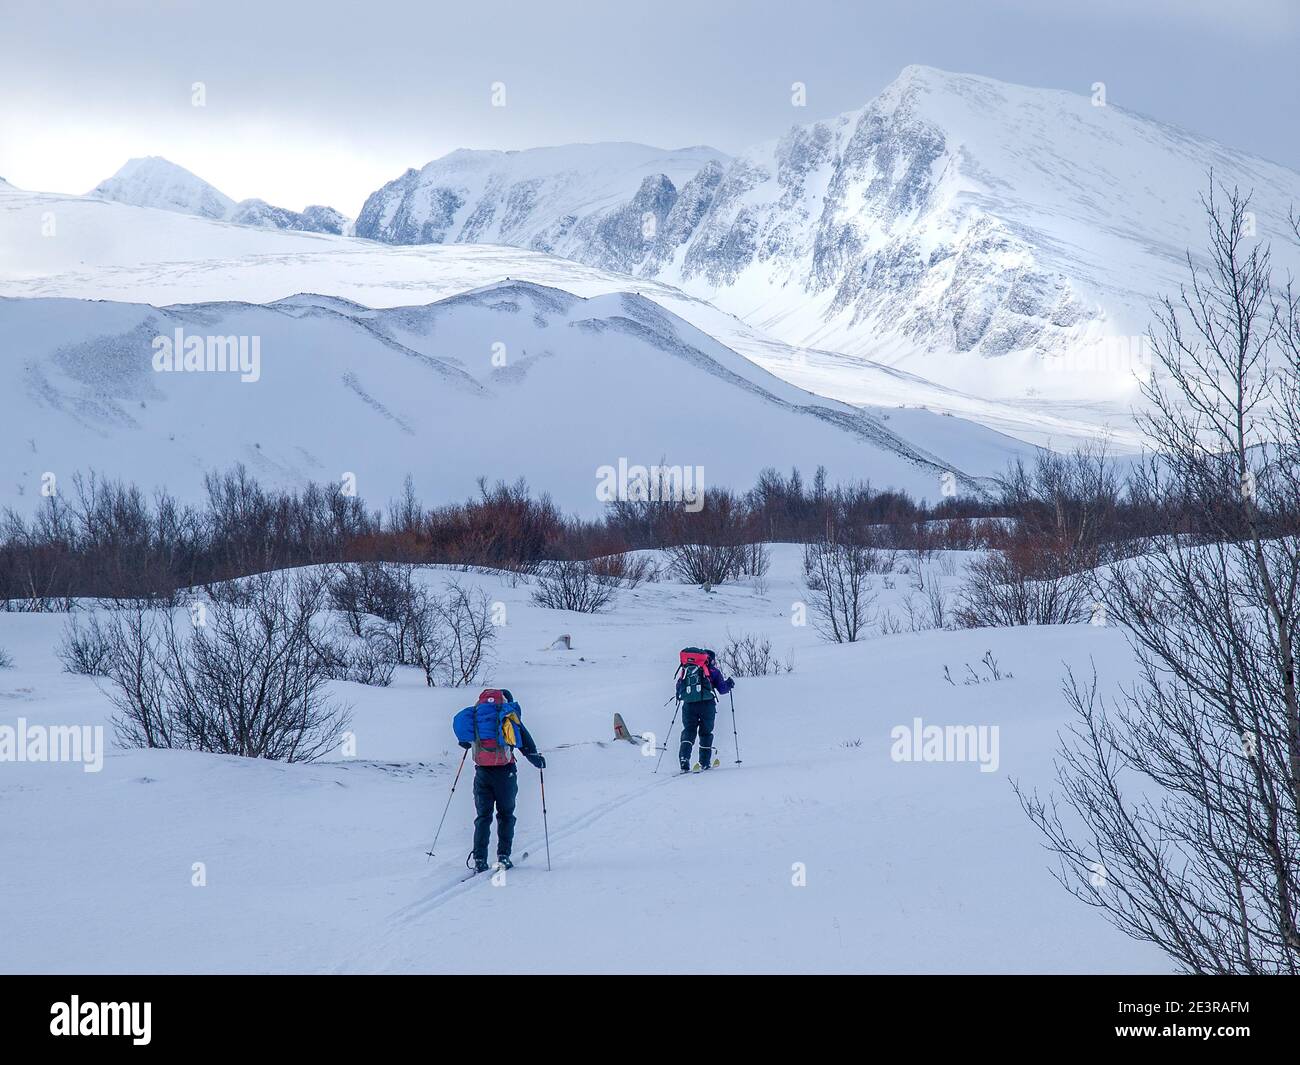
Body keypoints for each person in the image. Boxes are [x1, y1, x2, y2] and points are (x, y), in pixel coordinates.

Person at [453, 688, 545, 873]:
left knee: (483, 816)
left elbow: (464, 741)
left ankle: (480, 859)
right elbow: (525, 743)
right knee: (506, 815)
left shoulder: (478, 717)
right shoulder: (508, 716)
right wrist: (537, 760)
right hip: (505, 773)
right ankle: (503, 856)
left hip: (482, 773)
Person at [678, 650, 734, 773]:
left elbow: (679, 687)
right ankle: (704, 762)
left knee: (689, 730)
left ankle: (684, 758)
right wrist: (729, 684)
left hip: (688, 705)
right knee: (705, 733)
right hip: (707, 705)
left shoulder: (687, 669)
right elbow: (722, 689)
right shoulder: (713, 671)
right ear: (711, 659)